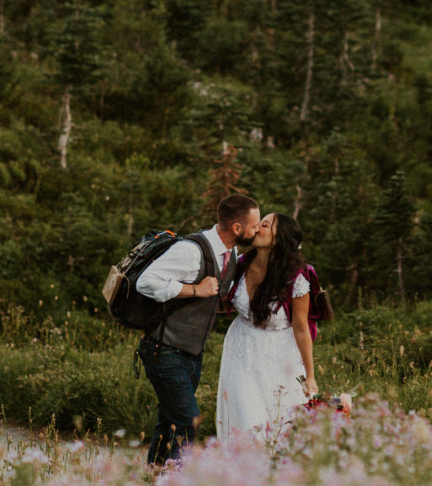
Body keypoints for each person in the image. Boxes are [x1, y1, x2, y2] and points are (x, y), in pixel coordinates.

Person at [134, 191, 260, 465]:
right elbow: (145, 282)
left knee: (170, 421)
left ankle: (155, 476)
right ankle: (176, 481)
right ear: (236, 228)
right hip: (163, 349)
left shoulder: (231, 253)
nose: (257, 230)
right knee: (187, 421)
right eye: (254, 226)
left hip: (191, 353)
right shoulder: (191, 251)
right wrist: (195, 290)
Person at [216, 211, 318, 444]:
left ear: (279, 238)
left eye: (264, 225)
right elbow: (222, 300)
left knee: (283, 422)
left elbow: (301, 327)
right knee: (247, 420)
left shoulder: (296, 276)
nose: (256, 227)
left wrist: (310, 376)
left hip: (281, 357)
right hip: (241, 351)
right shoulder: (240, 264)